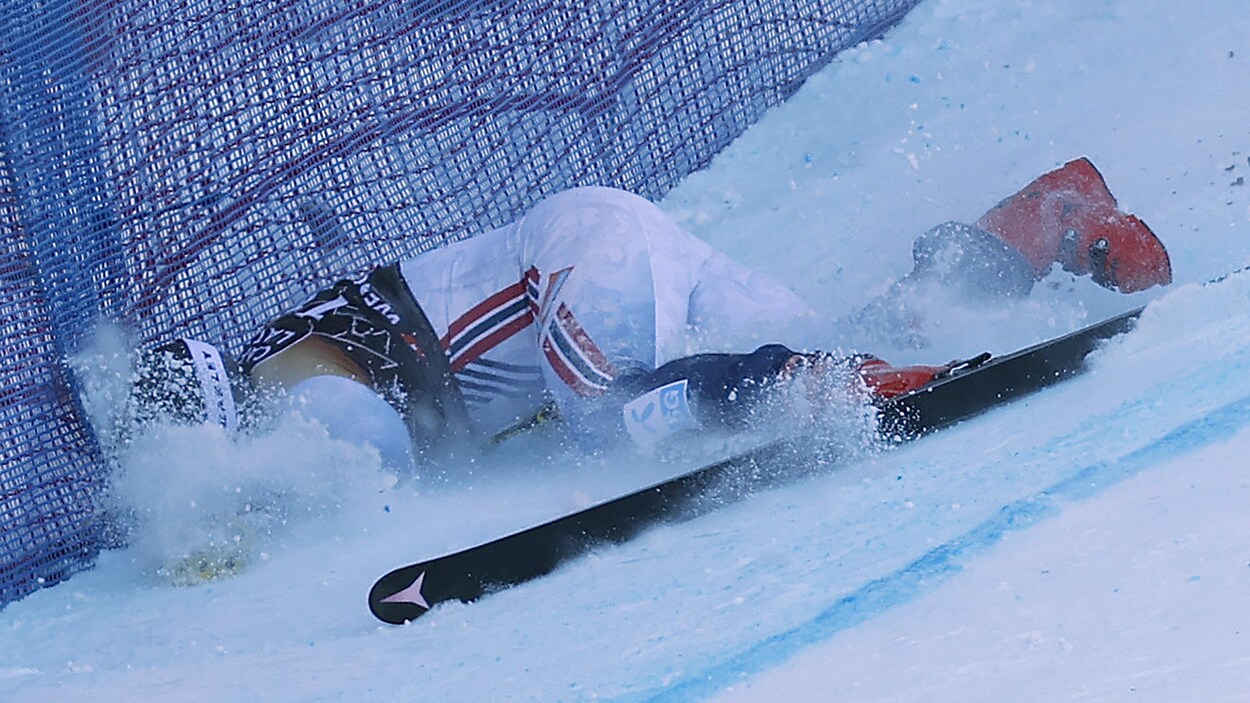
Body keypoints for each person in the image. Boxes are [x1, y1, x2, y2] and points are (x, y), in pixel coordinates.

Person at [131, 157, 1171, 472]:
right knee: (860, 327)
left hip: (577, 265)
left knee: (630, 429)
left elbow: (379, 473)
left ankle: (833, 390)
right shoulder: (291, 349)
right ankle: (1051, 216)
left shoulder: (290, 389)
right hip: (600, 248)